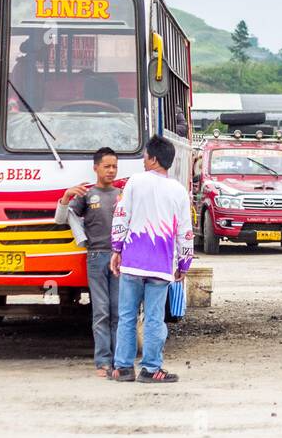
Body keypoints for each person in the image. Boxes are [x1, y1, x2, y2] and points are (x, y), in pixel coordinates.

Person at [109, 135, 194, 384]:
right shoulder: (179, 191)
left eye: (145, 155)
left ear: (154, 159)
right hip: (161, 266)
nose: (143, 160)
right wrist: (184, 264)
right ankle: (151, 369)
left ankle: (123, 368)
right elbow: (185, 232)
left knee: (126, 316)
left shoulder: (135, 182)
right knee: (154, 318)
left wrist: (116, 249)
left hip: (133, 262)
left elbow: (121, 216)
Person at [56, 147, 122, 378]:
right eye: (107, 166)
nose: (111, 171)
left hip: (119, 258)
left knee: (118, 311)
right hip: (95, 257)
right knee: (101, 310)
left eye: (114, 166)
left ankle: (120, 360)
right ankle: (103, 361)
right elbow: (61, 219)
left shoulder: (121, 195)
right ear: (96, 168)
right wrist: (65, 198)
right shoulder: (86, 195)